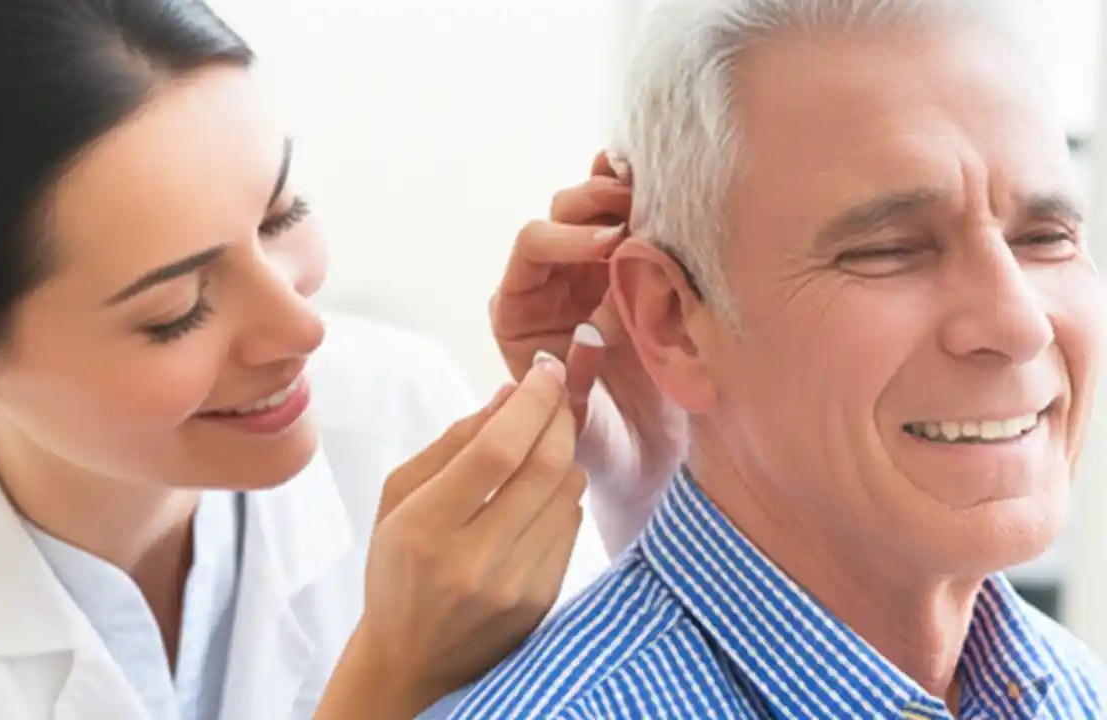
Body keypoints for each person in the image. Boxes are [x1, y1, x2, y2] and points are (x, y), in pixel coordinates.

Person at [0, 2, 681, 719]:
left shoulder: (393, 405)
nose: (303, 330)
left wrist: (638, 480)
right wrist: (388, 681)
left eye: (280, 215)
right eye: (174, 311)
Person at [425, 0, 1107, 718]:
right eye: (888, 250)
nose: (1019, 324)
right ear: (671, 322)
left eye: (1047, 236)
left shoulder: (1060, 687)